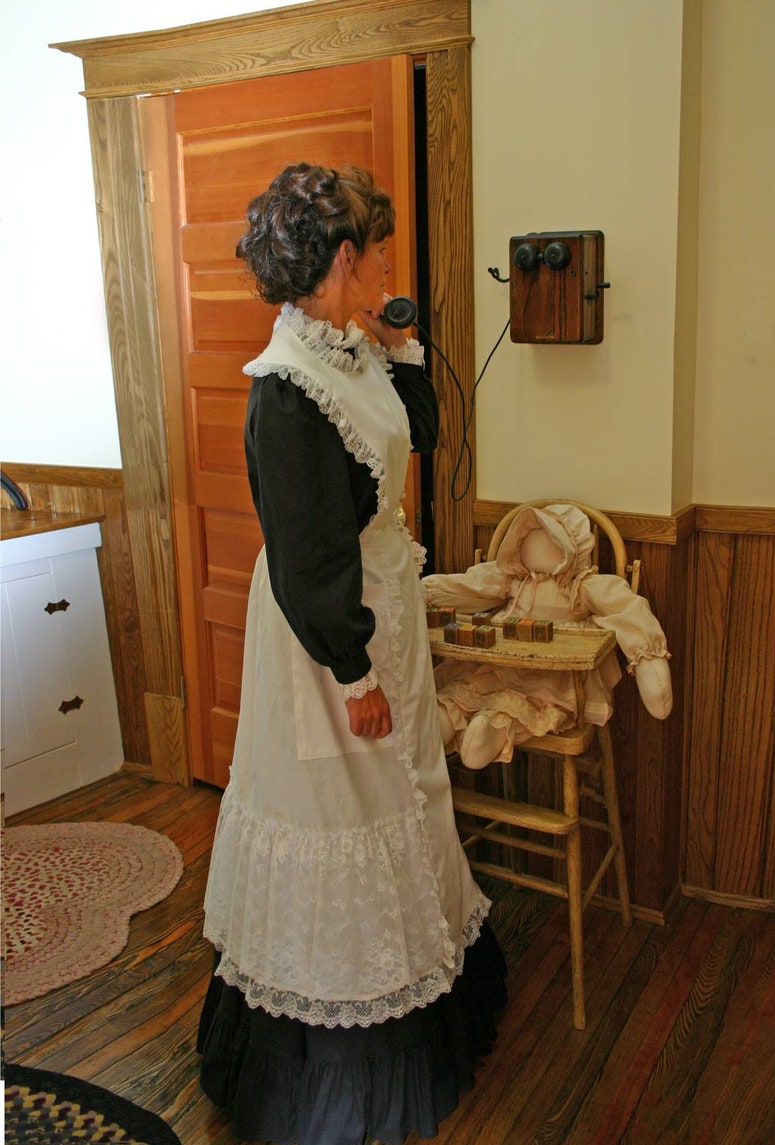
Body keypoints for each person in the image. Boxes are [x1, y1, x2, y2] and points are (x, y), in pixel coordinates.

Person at [197, 163, 507, 1145]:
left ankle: (414, 990)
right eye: (376, 248)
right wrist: (354, 674)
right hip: (324, 636)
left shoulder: (349, 351)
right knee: (343, 810)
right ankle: (333, 1049)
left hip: (381, 612)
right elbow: (304, 559)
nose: (385, 262)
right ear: (341, 259)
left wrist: (403, 341)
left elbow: (420, 431)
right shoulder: (285, 392)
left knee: (404, 798)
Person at [424, 502, 673, 769]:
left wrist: (648, 656)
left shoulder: (580, 587)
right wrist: (423, 592)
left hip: (553, 677)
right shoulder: (513, 579)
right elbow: (468, 587)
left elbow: (625, 608)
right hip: (499, 666)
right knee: (468, 688)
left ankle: (492, 732)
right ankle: (444, 721)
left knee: (531, 706)